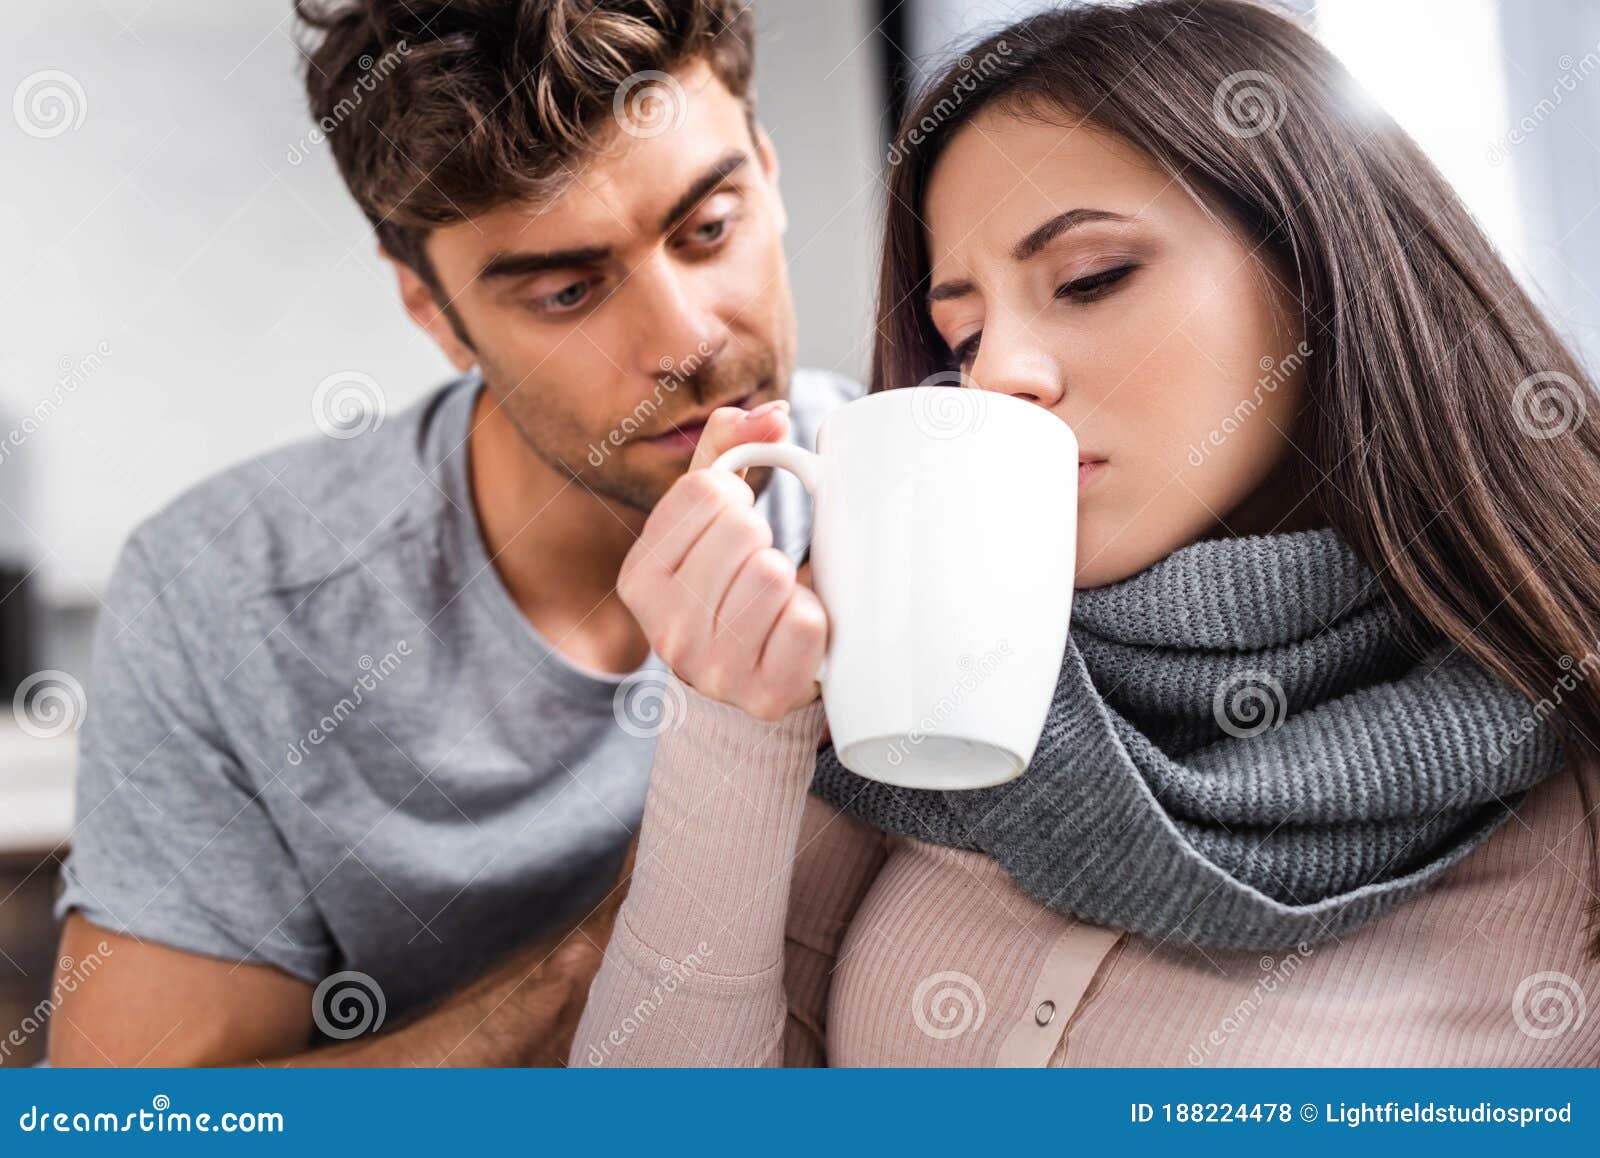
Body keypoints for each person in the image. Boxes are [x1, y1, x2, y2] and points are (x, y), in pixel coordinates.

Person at [573, 0, 1600, 1066]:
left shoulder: (1568, 791)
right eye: (963, 336)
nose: (1000, 375)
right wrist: (735, 727)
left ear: (1321, 266)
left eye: (1089, 278)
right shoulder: (914, 699)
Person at [48, 0, 858, 1066]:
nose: (686, 341)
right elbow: (132, 1124)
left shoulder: (927, 497)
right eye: (568, 291)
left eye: (709, 228)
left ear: (768, 169)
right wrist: (607, 963)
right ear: (434, 315)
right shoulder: (230, 597)